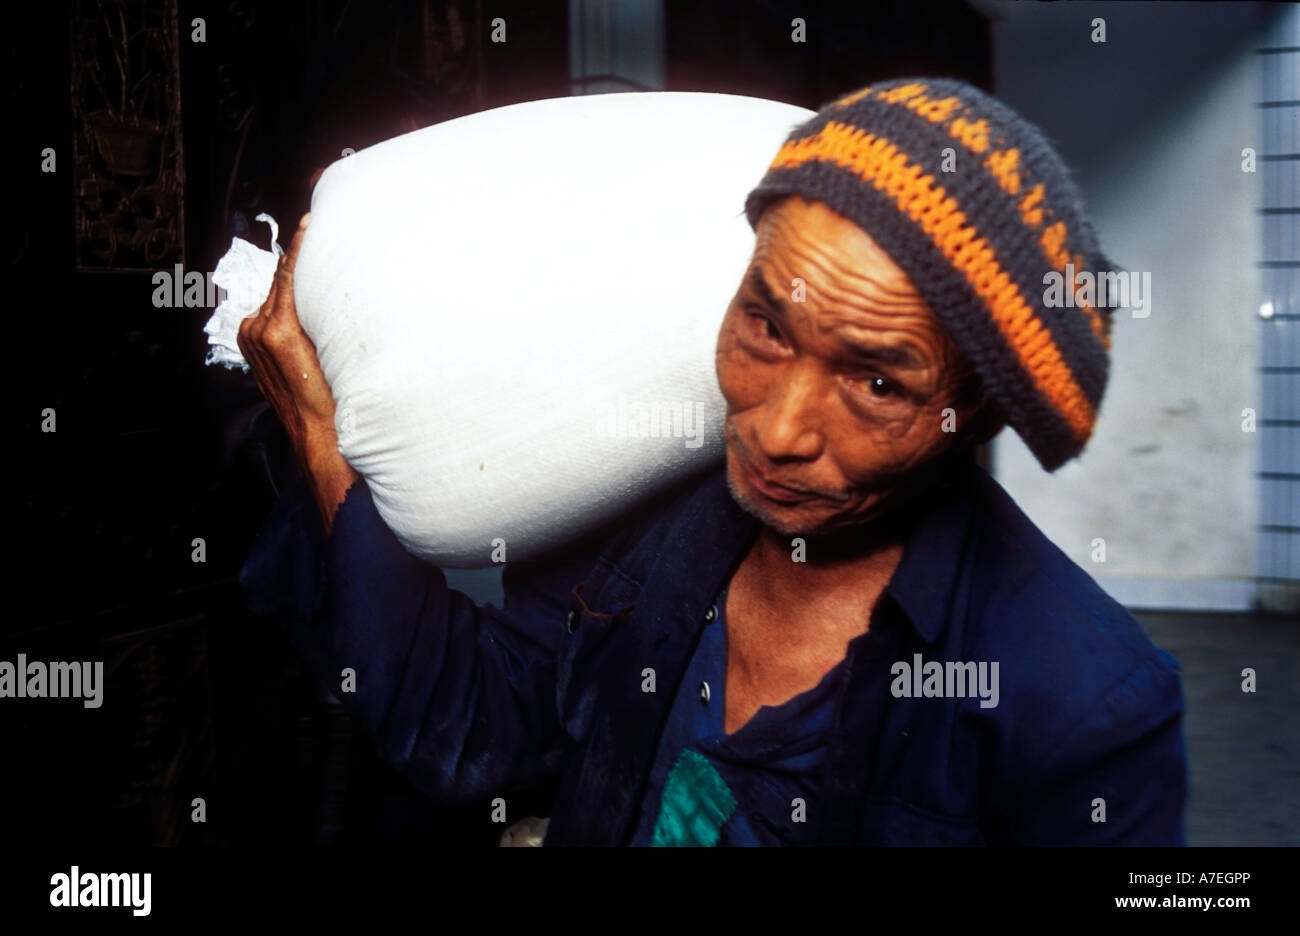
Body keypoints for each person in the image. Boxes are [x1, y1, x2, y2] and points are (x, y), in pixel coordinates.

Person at [238, 78, 1188, 846]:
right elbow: (469, 736)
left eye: (877, 386)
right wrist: (323, 444)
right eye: (767, 328)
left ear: (971, 410)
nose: (777, 430)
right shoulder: (652, 524)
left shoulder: (1083, 702)